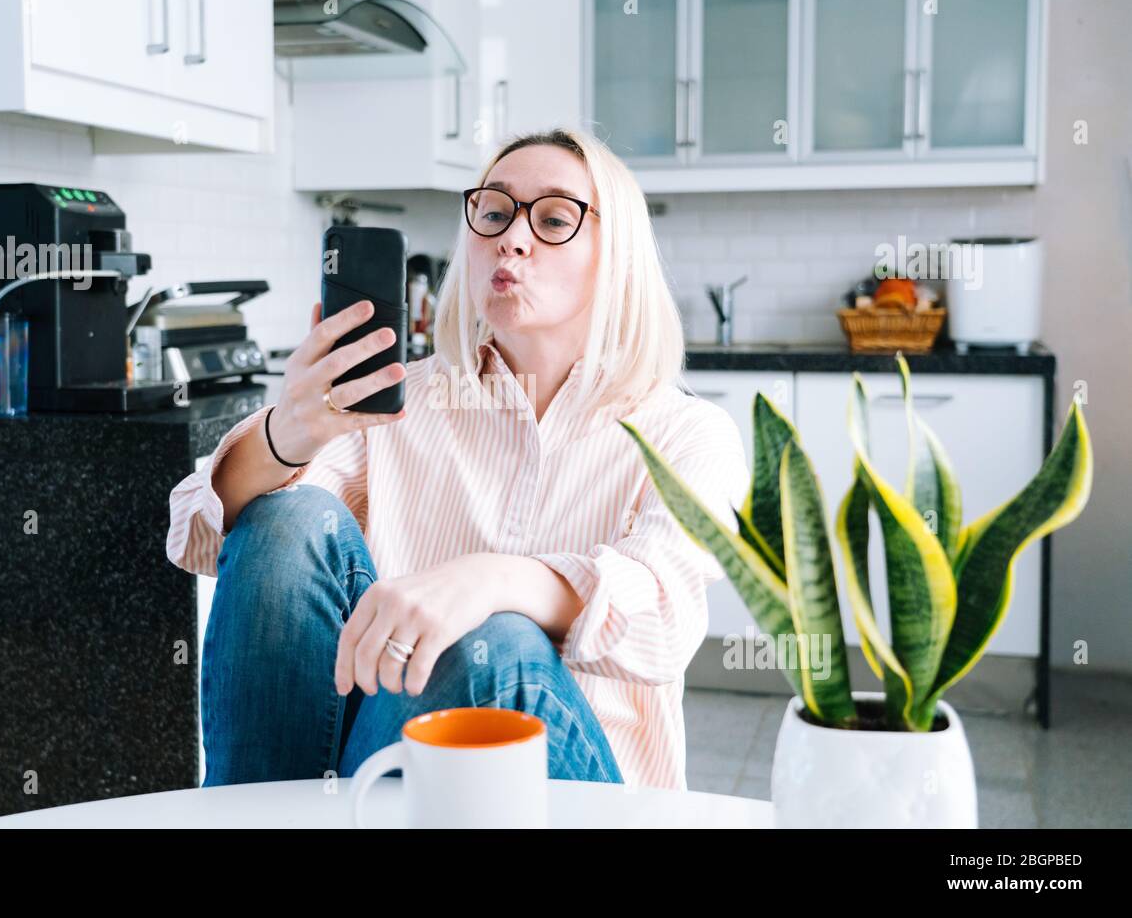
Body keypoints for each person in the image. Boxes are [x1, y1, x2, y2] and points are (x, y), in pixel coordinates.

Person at [166, 127, 750, 792]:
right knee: (285, 518)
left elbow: (662, 625)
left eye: (554, 218)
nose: (512, 238)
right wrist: (289, 431)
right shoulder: (398, 403)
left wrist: (491, 582)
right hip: (384, 772)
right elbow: (197, 535)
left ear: (615, 258)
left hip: (578, 793)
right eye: (494, 213)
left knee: (497, 643)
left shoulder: (687, 433)